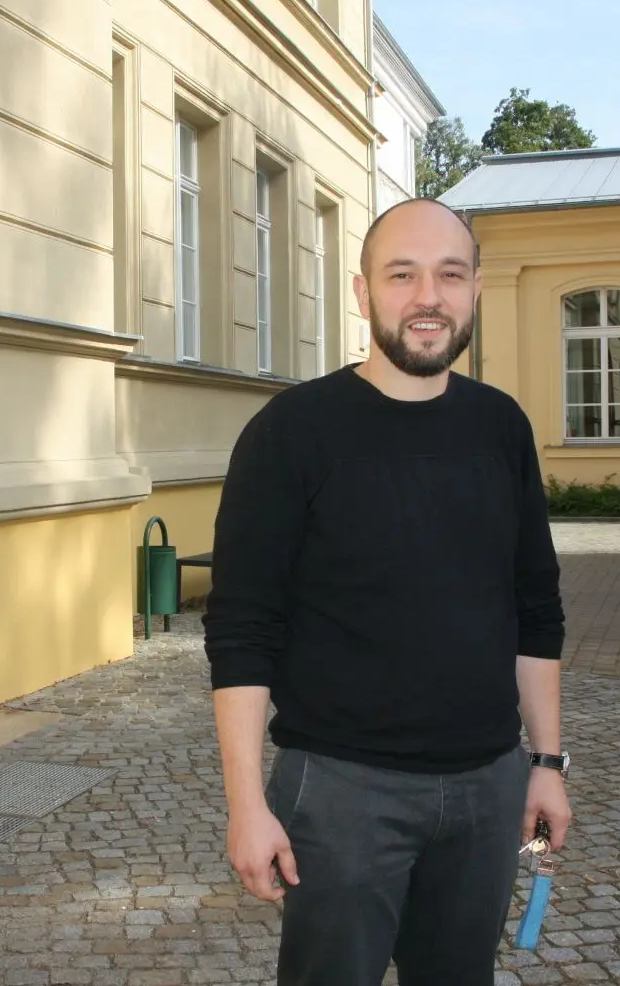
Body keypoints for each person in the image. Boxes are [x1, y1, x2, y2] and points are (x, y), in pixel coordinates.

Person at [202, 197, 571, 985]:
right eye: (402, 275)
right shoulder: (292, 432)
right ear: (363, 293)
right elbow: (241, 628)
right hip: (340, 794)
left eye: (450, 275)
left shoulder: (501, 428)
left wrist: (545, 763)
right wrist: (246, 806)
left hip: (486, 787)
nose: (428, 297)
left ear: (475, 290)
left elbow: (535, 607)